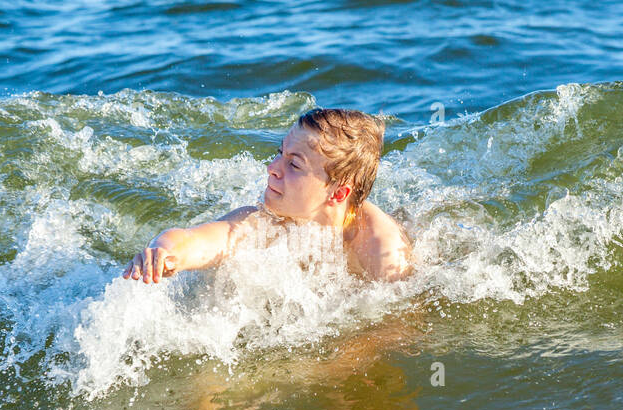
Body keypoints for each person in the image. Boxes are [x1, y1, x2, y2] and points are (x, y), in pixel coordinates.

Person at [122, 108, 414, 283]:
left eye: (294, 164)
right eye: (279, 154)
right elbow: (195, 239)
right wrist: (165, 253)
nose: (272, 169)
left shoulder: (381, 248)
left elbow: (395, 327)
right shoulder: (266, 220)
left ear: (338, 193)